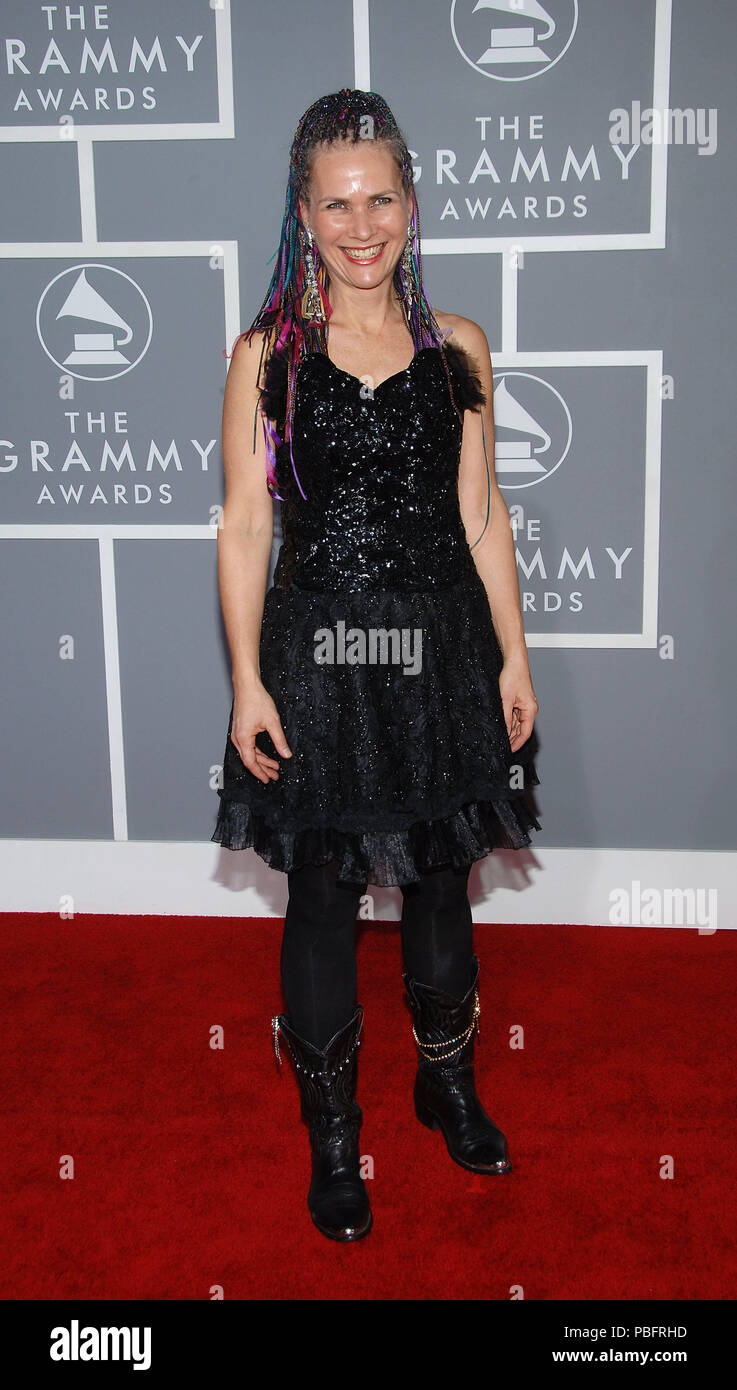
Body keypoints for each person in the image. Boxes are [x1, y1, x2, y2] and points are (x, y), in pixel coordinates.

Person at [212, 89, 541, 1243]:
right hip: (320, 658)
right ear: (302, 214)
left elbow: (482, 513)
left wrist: (511, 656)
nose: (362, 226)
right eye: (336, 203)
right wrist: (248, 682)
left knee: (443, 881)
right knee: (321, 894)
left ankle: (445, 1085)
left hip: (441, 651)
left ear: (411, 201)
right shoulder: (266, 357)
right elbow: (245, 527)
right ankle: (335, 1138)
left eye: (381, 198)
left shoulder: (458, 346)